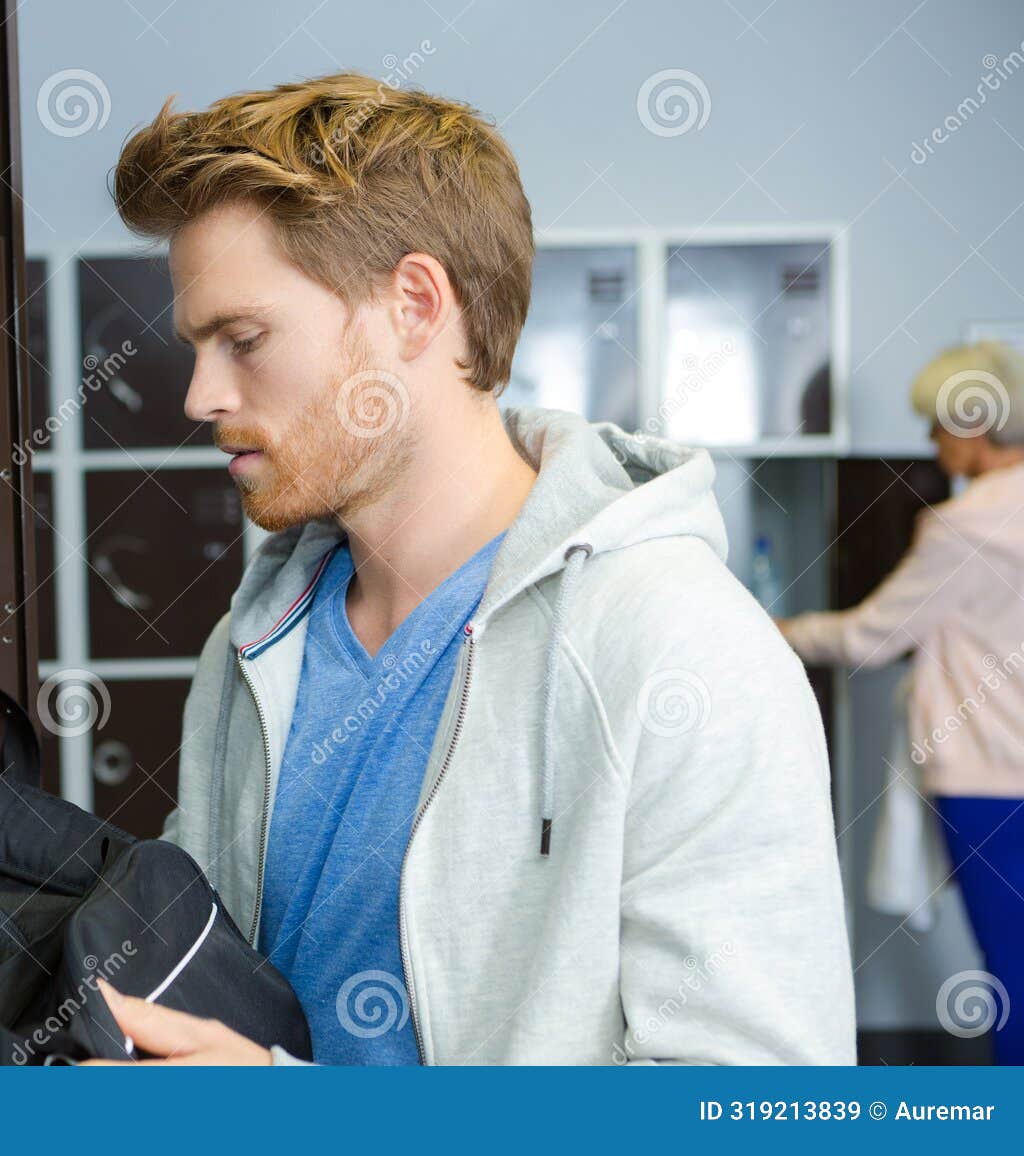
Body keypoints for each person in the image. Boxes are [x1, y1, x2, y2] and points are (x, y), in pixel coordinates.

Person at [86, 73, 854, 1065]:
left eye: (244, 338)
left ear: (413, 305)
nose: (199, 394)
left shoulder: (677, 648)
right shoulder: (251, 644)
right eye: (198, 345)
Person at [778, 341, 1024, 1066]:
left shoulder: (969, 523)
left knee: (1011, 971)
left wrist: (768, 628)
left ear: (978, 423)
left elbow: (870, 637)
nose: (931, 440)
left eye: (940, 424)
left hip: (989, 782)